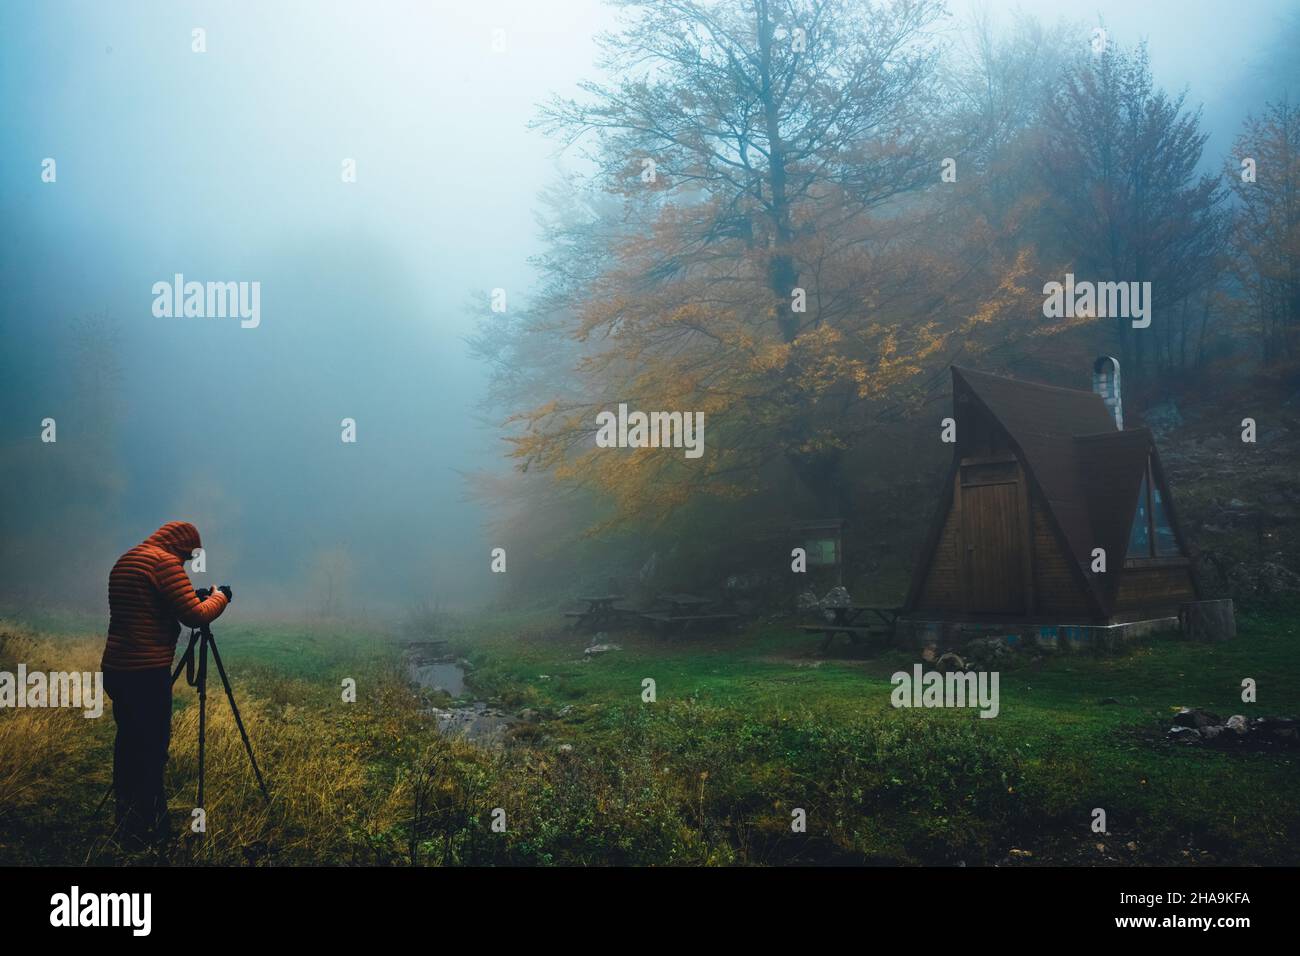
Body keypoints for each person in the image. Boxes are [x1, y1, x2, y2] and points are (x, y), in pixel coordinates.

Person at [101, 521, 229, 849]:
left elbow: (150, 605)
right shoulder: (165, 563)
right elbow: (196, 617)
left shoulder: (128, 559)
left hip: (118, 668)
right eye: (187, 557)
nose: (185, 563)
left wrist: (189, 596)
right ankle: (152, 830)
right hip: (146, 672)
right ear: (180, 546)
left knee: (129, 744)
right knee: (152, 751)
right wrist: (220, 598)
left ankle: (126, 822)